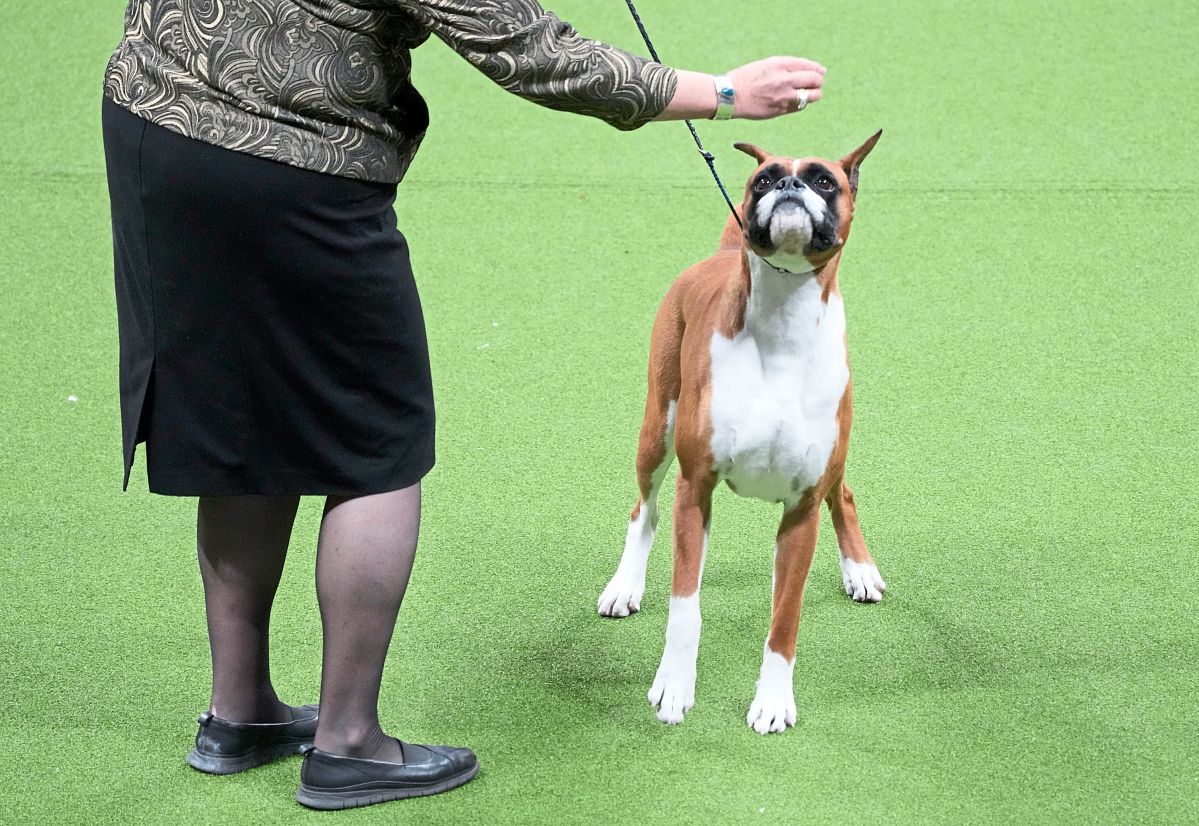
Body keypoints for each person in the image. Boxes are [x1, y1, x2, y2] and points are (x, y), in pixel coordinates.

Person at [101, 0, 825, 811]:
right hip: (293, 162)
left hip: (153, 119)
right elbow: (530, 52)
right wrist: (725, 93)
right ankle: (348, 744)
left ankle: (237, 716)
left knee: (242, 414)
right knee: (377, 443)